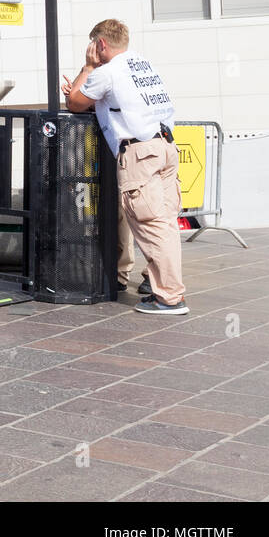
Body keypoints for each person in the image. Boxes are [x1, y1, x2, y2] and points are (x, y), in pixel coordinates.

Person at [63, 19, 186, 315]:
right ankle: (164, 289)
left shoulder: (106, 72)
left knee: (151, 224)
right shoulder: (142, 65)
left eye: (93, 44)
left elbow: (74, 104)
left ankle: (169, 297)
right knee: (165, 223)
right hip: (165, 146)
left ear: (100, 44)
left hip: (139, 153)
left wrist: (87, 68)